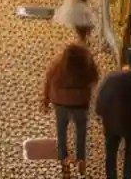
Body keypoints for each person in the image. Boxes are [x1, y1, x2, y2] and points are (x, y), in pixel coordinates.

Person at [43, 43, 101, 176]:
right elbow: (95, 78)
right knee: (81, 132)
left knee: (61, 132)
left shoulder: (59, 64)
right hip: (80, 103)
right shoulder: (86, 64)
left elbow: (49, 78)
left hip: (61, 103)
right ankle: (81, 159)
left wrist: (46, 99)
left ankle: (64, 161)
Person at [95, 65, 131, 179]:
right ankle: (127, 176)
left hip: (111, 122)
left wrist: (101, 112)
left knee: (111, 152)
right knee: (129, 153)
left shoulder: (110, 80)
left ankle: (111, 176)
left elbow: (101, 99)